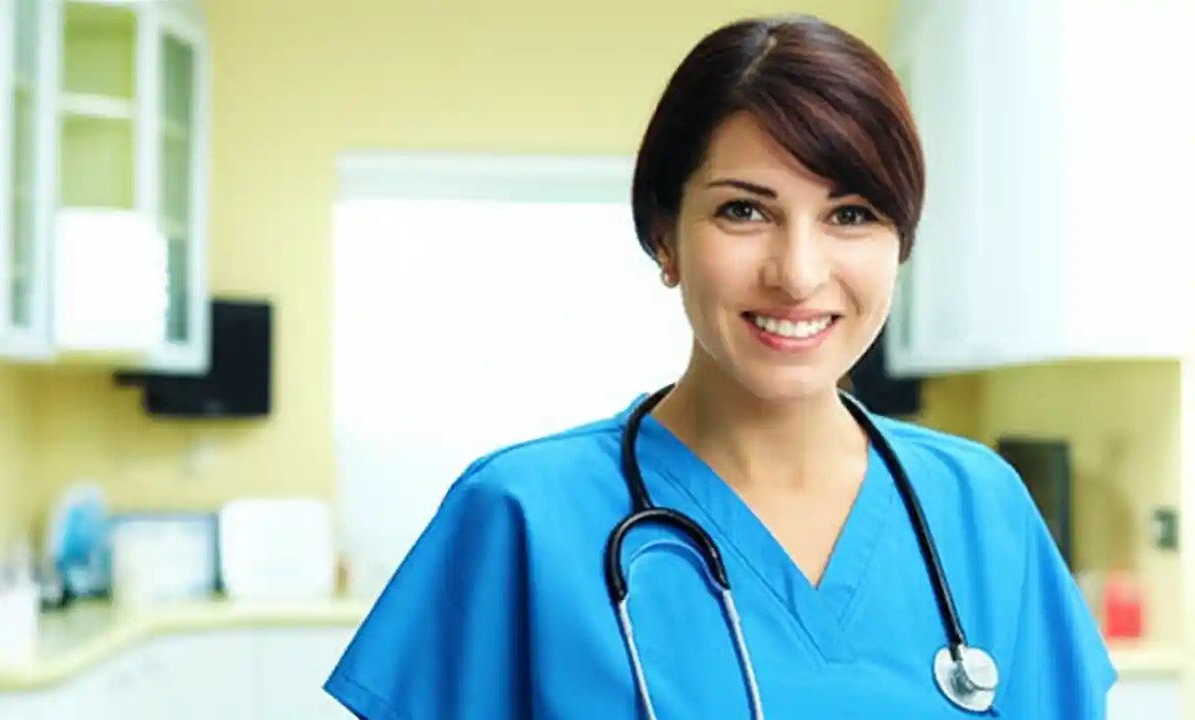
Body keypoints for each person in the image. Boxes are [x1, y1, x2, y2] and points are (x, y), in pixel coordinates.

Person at [323, 14, 1117, 719]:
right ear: (665, 236)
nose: (798, 273)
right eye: (745, 210)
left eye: (851, 215)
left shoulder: (982, 511)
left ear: (898, 246)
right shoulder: (520, 516)